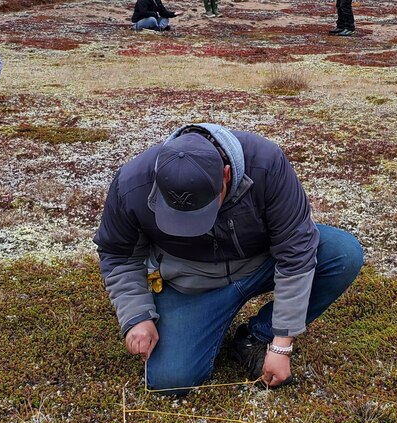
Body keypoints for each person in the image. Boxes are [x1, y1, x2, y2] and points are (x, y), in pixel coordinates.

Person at [94, 123, 364, 394]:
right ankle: (204, 319)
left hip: (260, 264)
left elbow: (296, 251)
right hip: (189, 283)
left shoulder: (266, 164)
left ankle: (257, 335)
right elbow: (117, 254)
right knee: (170, 380)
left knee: (342, 253)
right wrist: (137, 316)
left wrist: (281, 343)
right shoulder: (131, 184)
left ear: (225, 175)